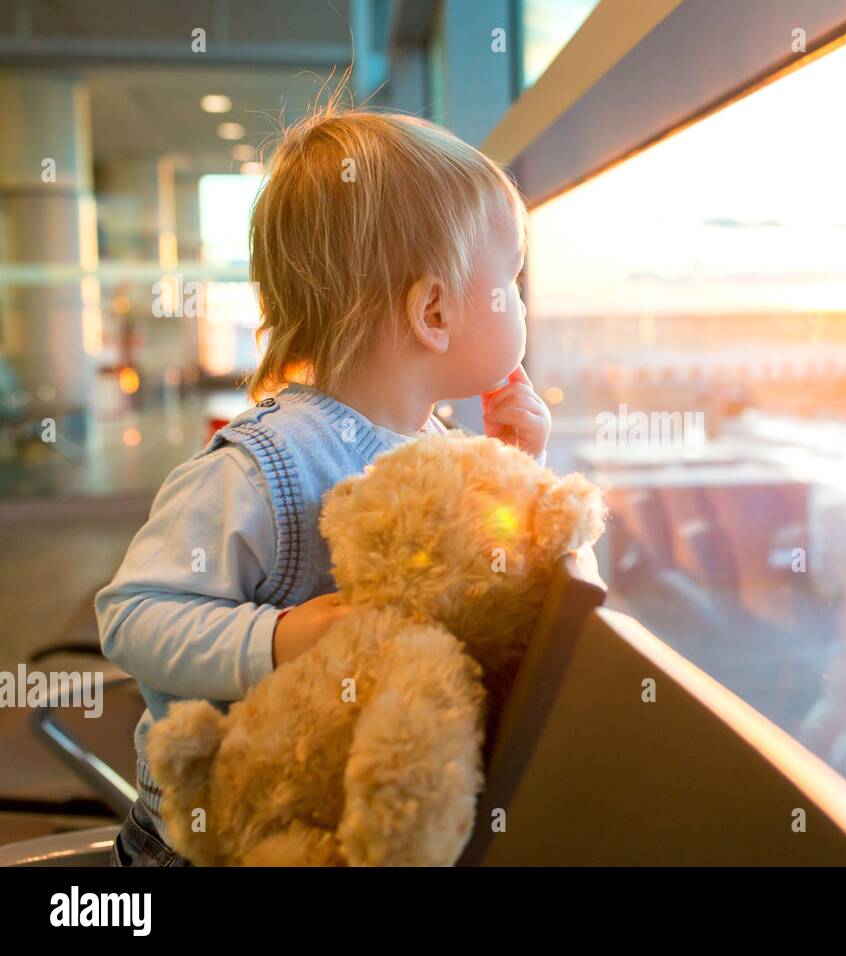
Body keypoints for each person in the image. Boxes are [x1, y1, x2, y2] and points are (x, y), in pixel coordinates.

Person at [95, 107, 550, 865]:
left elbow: (468, 582)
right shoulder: (261, 467)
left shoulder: (435, 448)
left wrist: (514, 469)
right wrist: (277, 639)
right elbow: (133, 616)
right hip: (216, 836)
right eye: (511, 282)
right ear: (433, 312)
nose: (523, 304)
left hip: (326, 820)